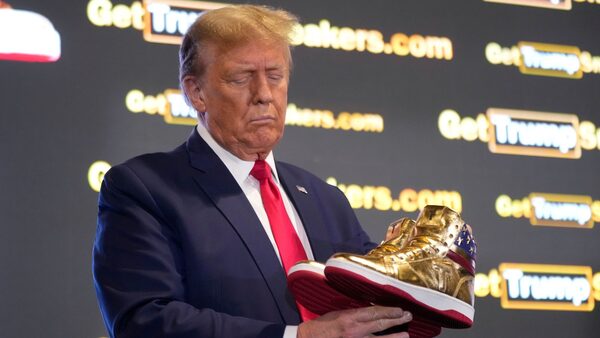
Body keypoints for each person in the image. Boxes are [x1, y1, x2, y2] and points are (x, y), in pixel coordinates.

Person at [93, 5, 412, 338]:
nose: (264, 95)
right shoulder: (145, 189)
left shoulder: (325, 199)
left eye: (275, 76)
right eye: (241, 78)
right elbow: (145, 322)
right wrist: (297, 337)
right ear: (196, 92)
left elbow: (379, 305)